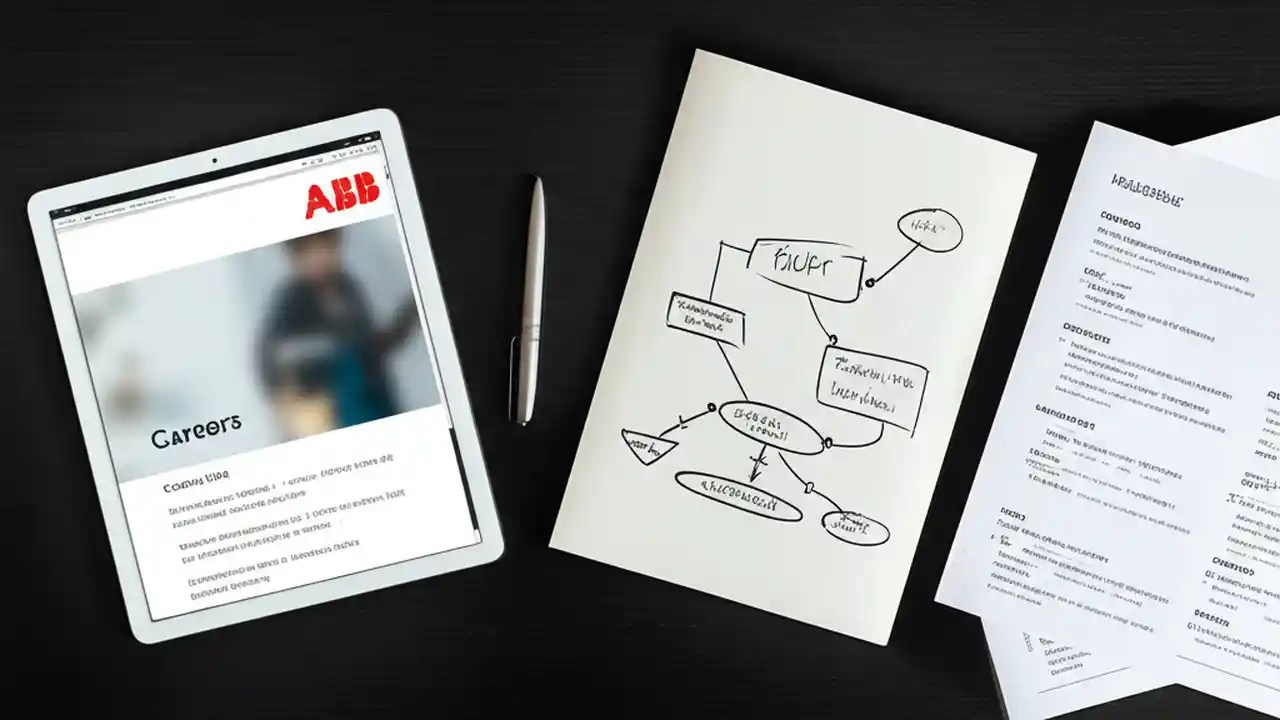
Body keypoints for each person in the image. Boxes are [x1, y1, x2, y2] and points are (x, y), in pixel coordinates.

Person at [257, 229, 418, 440]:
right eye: (310, 252)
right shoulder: (291, 298)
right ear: (296, 258)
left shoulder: (347, 286)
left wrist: (406, 320)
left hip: (370, 398)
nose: (320, 258)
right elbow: (276, 355)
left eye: (326, 248)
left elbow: (369, 347)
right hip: (325, 408)